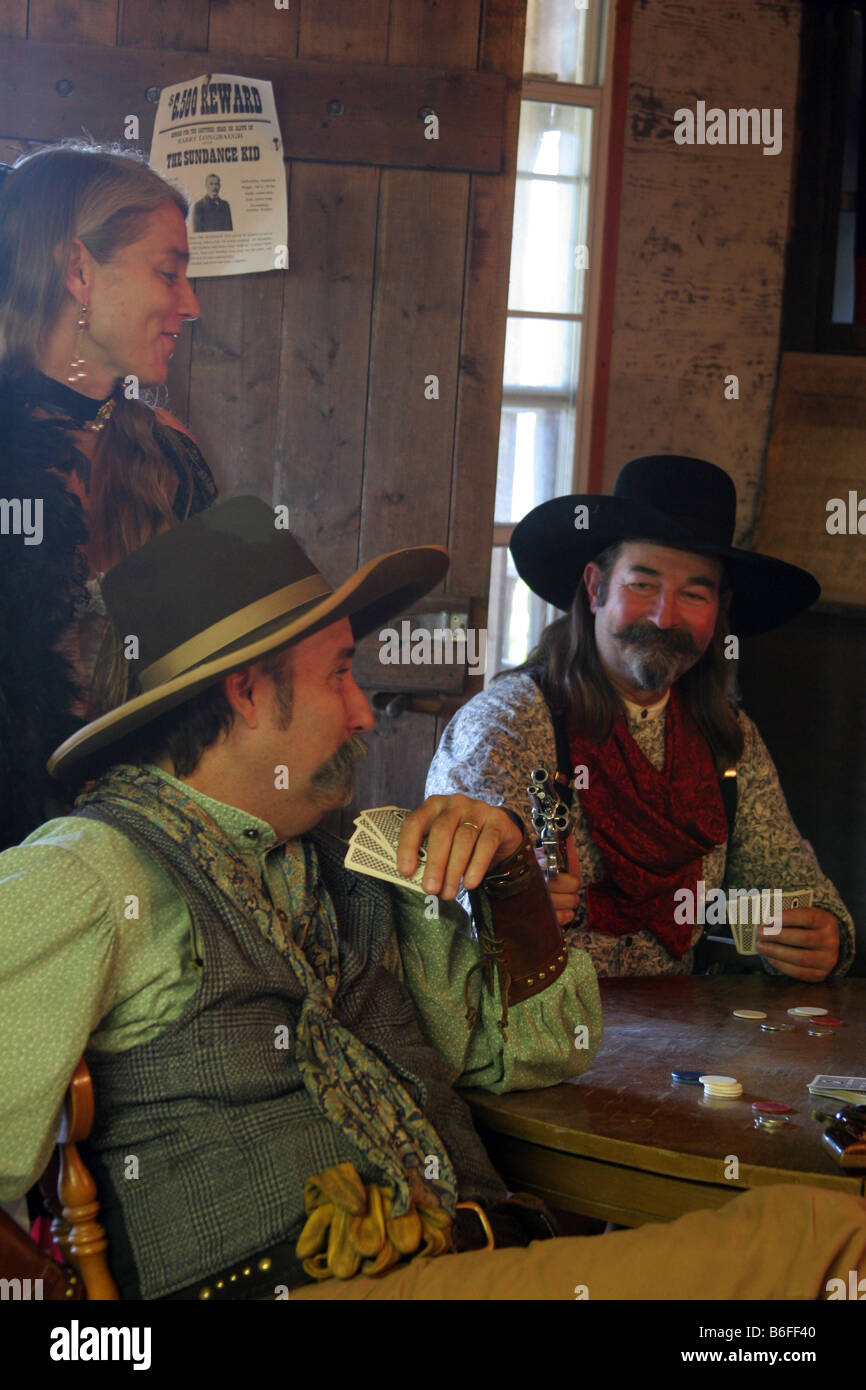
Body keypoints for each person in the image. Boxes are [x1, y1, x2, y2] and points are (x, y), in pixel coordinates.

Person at [1, 496, 864, 1304]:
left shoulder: (362, 852)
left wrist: (512, 878)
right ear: (249, 691)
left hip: (473, 1251)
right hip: (315, 1285)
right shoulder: (94, 870)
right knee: (827, 1241)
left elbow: (532, 1054)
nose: (364, 713)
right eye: (341, 674)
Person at [427, 456, 855, 982]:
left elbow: (791, 886)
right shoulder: (506, 727)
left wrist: (824, 936)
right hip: (534, 1036)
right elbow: (444, 910)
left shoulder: (729, 740)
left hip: (684, 1041)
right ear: (595, 587)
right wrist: (509, 892)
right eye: (642, 585)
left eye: (694, 594)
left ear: (719, 610)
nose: (664, 617)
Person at [0, 143, 217, 851]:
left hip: (138, 857)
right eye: (168, 272)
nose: (190, 304)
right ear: (79, 271)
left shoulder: (170, 456)